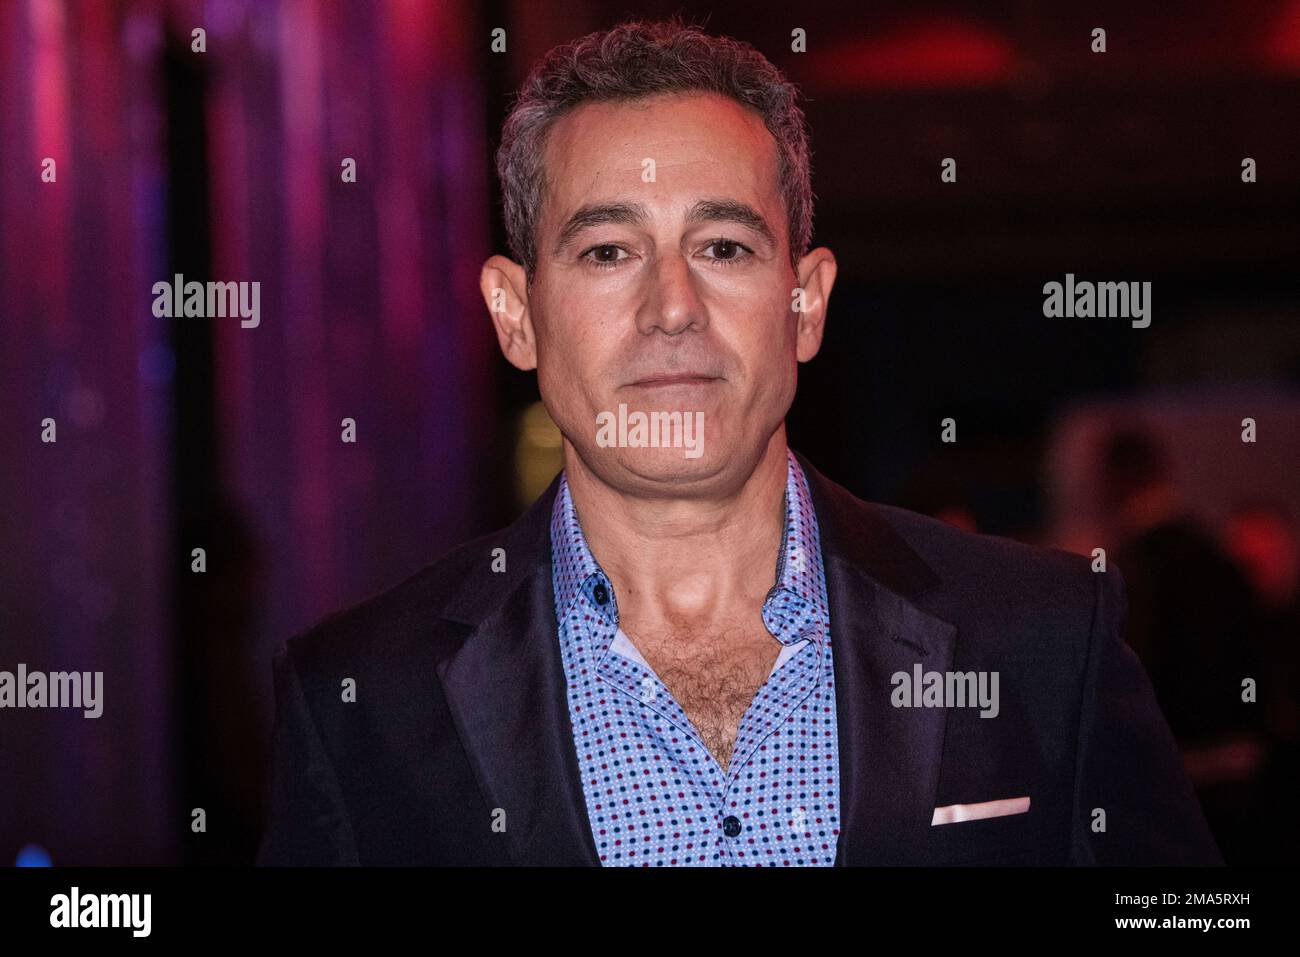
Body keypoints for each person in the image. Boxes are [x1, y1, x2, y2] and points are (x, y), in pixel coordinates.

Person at [257, 18, 1220, 866]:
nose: (673, 307)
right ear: (515, 315)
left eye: (724, 247)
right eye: (606, 252)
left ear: (805, 303)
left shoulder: (1046, 641)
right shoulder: (360, 701)